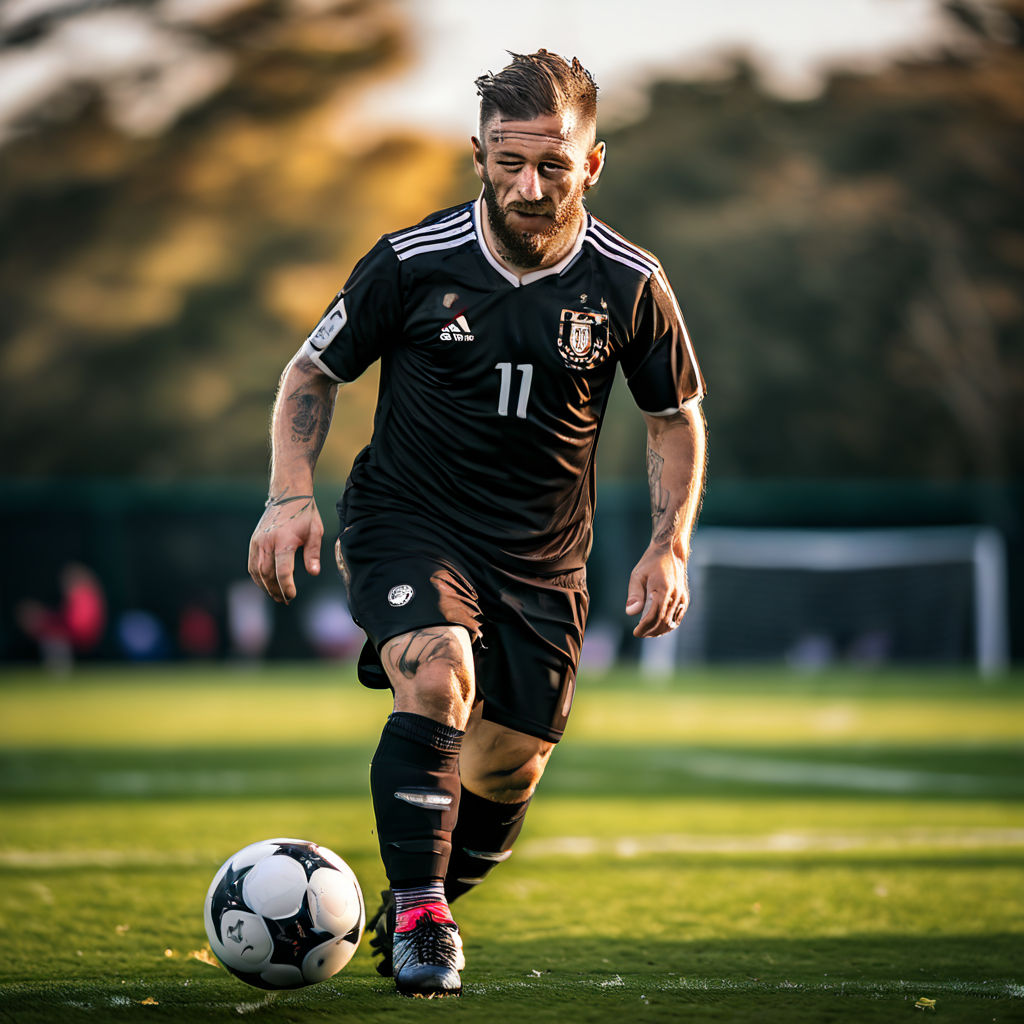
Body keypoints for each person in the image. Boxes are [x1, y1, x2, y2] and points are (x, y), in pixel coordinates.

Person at [248, 49, 707, 998]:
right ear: (478, 155)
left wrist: (669, 544)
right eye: (507, 162)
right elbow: (311, 375)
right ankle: (422, 916)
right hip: (408, 519)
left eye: (551, 162)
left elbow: (673, 418)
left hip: (544, 557)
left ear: (593, 162)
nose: (527, 184)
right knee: (439, 667)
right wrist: (290, 496)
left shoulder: (629, 284)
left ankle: (417, 902)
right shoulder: (412, 263)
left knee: (507, 773)